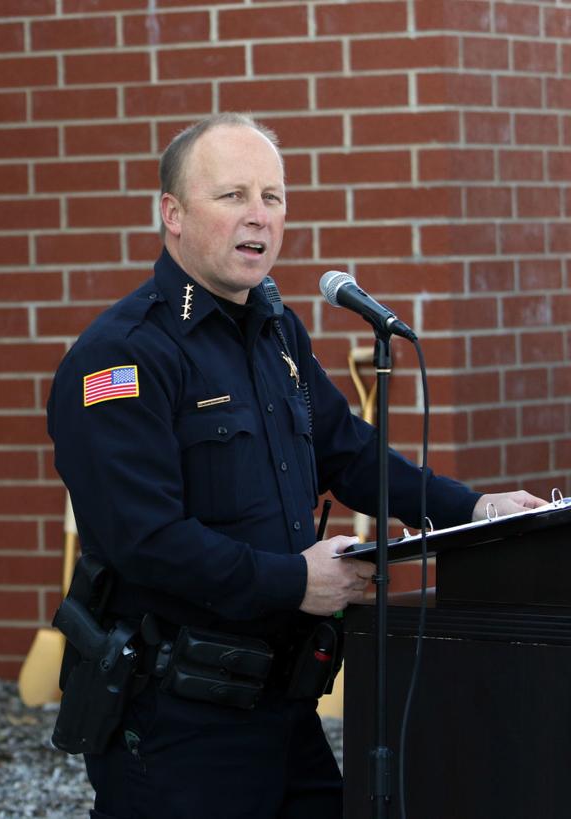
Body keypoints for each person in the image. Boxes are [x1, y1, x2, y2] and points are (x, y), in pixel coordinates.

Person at [45, 112, 543, 819]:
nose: (260, 216)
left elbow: (347, 449)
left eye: (273, 196)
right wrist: (297, 579)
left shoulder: (276, 332)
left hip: (282, 703)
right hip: (176, 721)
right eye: (233, 195)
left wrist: (474, 509)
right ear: (173, 214)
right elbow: (143, 540)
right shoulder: (122, 357)